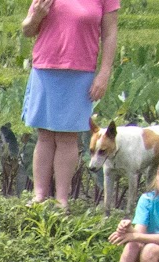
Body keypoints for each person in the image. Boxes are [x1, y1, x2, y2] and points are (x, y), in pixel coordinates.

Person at [21, 0, 119, 207]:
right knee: (44, 135)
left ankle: (61, 199)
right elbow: (27, 30)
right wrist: (36, 16)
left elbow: (110, 34)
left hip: (81, 72)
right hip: (45, 68)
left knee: (68, 138)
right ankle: (39, 195)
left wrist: (104, 73)